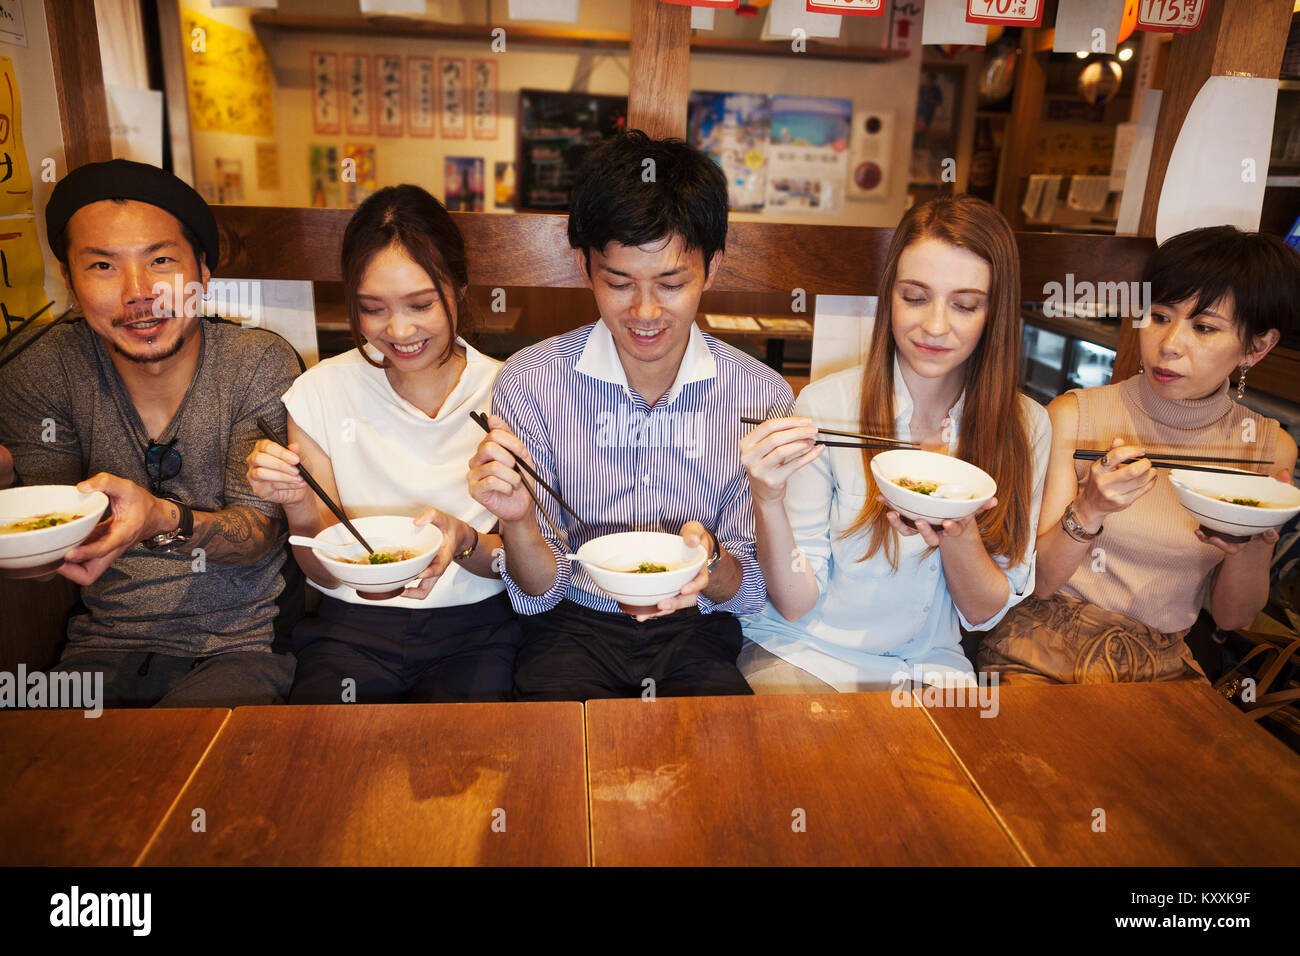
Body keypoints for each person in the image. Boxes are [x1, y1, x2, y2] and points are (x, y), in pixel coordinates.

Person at [468, 130, 793, 700]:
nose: (645, 312)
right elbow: (539, 590)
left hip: (696, 630)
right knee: (553, 758)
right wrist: (518, 521)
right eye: (619, 282)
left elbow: (751, 588)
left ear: (712, 268)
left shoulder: (759, 394)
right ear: (584, 266)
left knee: (727, 762)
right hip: (569, 629)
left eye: (671, 283)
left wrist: (711, 563)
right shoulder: (530, 381)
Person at [0, 159, 302, 707]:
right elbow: (50, 554)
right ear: (69, 281)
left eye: (160, 260)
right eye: (103, 266)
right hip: (97, 647)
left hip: (239, 644)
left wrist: (160, 517)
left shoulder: (257, 364)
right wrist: (13, 514)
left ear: (203, 273)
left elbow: (257, 535)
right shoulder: (41, 373)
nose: (139, 293)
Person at [738, 195, 1050, 693]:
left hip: (930, 667)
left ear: (995, 311)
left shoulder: (1027, 425)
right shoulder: (826, 406)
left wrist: (958, 530)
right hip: (807, 654)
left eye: (965, 305)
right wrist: (766, 499)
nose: (935, 326)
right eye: (915, 296)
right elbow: (796, 602)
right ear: (889, 296)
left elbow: (984, 612)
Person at [979, 226, 1300, 684]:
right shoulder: (1074, 416)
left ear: (1257, 347)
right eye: (1159, 315)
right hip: (1042, 648)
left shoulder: (1268, 450)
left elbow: (1233, 618)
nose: (1169, 343)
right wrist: (1091, 508)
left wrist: (1250, 543)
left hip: (1163, 664)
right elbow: (1041, 583)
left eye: (1204, 327)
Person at [245, 185, 519, 704]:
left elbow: (521, 568)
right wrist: (300, 504)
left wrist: (464, 540)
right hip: (351, 628)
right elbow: (322, 570)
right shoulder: (321, 392)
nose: (398, 330)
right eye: (372, 309)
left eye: (421, 304)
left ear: (459, 288)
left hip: (478, 627)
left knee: (468, 765)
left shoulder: (509, 389)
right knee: (329, 759)